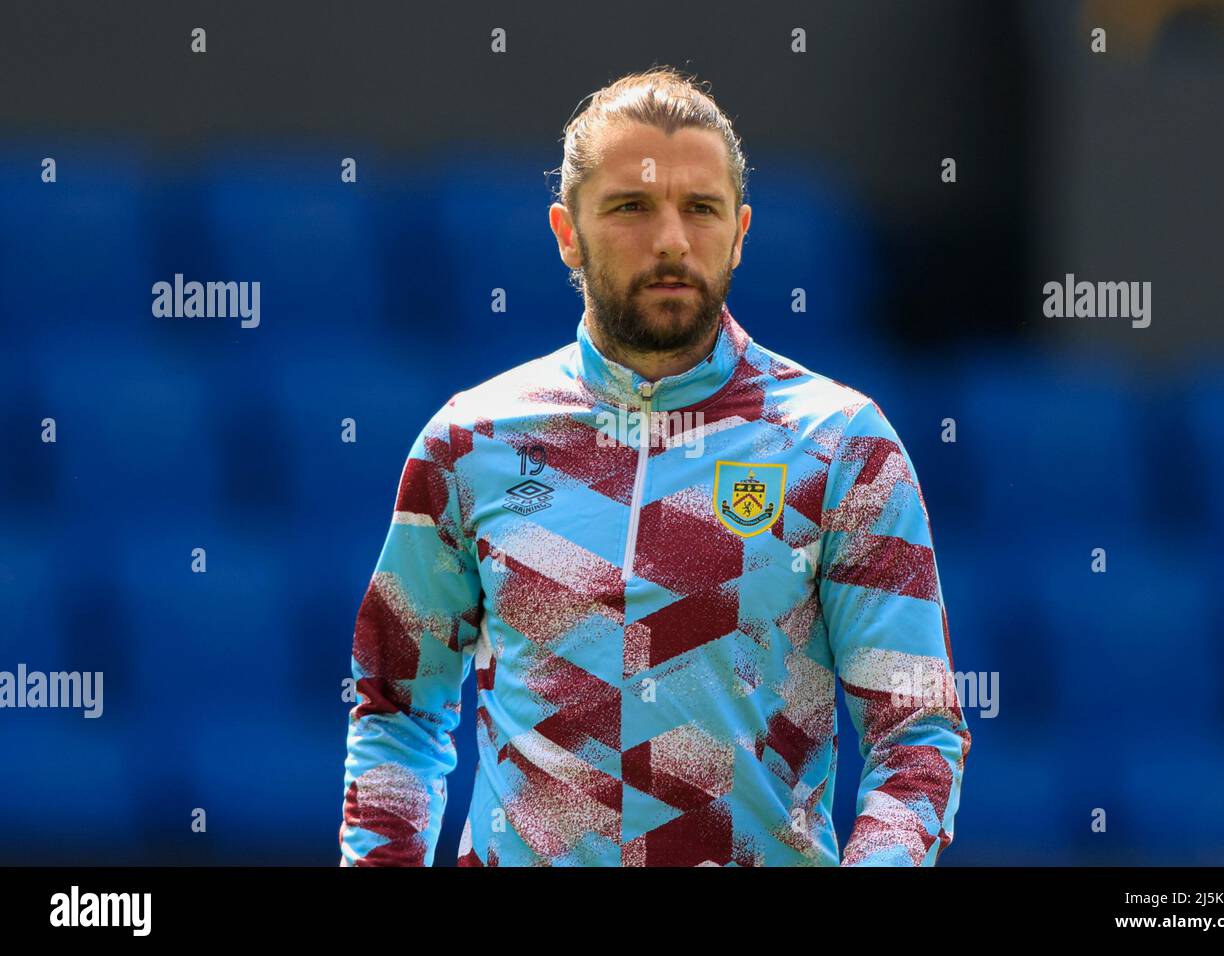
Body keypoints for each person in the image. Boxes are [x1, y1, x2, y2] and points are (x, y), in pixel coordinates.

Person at [338, 66, 970, 866]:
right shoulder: (470, 443)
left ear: (740, 231)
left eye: (700, 209)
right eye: (633, 206)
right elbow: (397, 707)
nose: (671, 239)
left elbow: (915, 735)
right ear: (567, 231)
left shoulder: (842, 446)